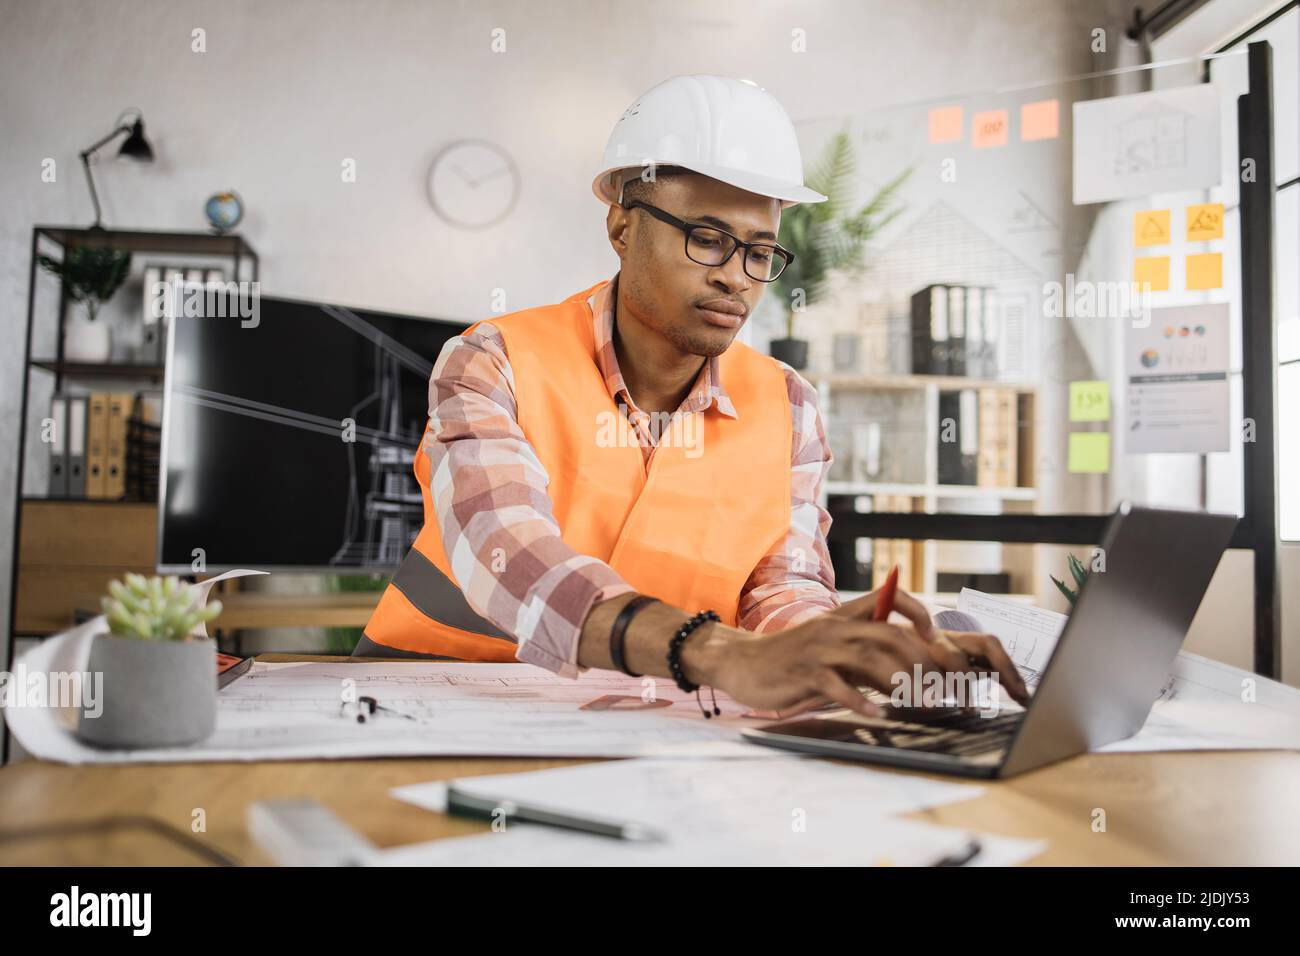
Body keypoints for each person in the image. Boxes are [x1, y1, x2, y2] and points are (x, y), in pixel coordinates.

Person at [358, 74, 1028, 716]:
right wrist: (712, 651)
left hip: (657, 717)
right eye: (708, 240)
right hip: (434, 700)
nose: (737, 278)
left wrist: (837, 652)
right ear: (622, 228)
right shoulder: (493, 359)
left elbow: (782, 584)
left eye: (759, 253)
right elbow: (507, 553)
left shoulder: (786, 403)